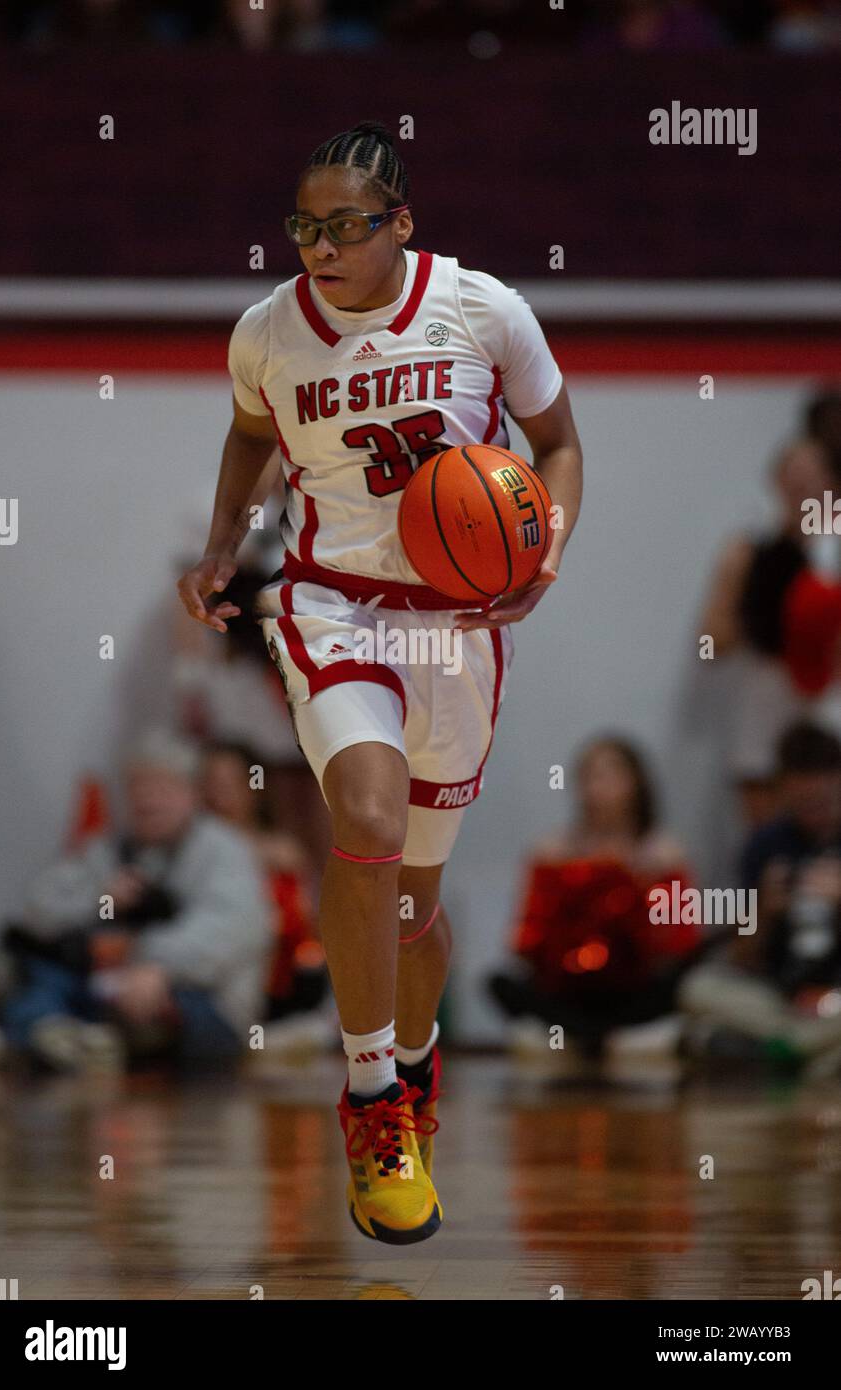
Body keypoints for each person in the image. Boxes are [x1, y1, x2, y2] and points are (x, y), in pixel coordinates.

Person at [177, 119, 582, 1243]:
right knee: (358, 813)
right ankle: (368, 1101)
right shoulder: (268, 332)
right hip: (329, 601)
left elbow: (556, 443)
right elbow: (249, 433)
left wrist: (544, 542)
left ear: (400, 222)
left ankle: (413, 1062)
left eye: (343, 224)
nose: (318, 244)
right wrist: (223, 544)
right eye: (303, 226)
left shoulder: (483, 309)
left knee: (413, 906)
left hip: (456, 623)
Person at [0, 730, 264, 1073]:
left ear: (192, 793)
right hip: (109, 992)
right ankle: (58, 1034)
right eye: (139, 787)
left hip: (201, 999)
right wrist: (99, 900)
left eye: (162, 788)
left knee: (187, 1012)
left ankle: (120, 1038)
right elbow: (37, 912)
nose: (148, 800)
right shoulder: (107, 849)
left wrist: (155, 966)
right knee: (38, 981)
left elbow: (232, 930)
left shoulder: (224, 850)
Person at [489, 736, 699, 1057]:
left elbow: (682, 943)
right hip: (568, 990)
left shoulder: (662, 854)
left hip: (634, 988)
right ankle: (594, 1036)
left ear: (636, 784)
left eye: (609, 775)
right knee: (500, 983)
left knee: (689, 982)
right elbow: (526, 942)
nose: (597, 788)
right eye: (588, 776)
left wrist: (640, 884)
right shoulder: (552, 853)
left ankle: (591, 1036)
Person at [678, 721, 841, 1073]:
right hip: (780, 999)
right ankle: (813, 1054)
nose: (814, 814)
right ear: (783, 792)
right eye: (803, 804)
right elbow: (743, 957)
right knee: (697, 987)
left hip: (836, 998)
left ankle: (787, 1052)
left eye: (823, 802)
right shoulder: (766, 844)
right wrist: (763, 912)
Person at [698, 436, 837, 826]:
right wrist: (761, 614)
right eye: (792, 478)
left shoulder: (834, 548)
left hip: (828, 693)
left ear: (831, 482)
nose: (802, 488)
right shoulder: (750, 549)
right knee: (765, 824)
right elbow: (710, 641)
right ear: (776, 483)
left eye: (812, 477)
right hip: (765, 695)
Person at [199, 739, 328, 1035]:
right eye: (213, 783)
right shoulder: (192, 850)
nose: (221, 794)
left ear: (254, 786)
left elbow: (308, 922)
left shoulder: (282, 851)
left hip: (280, 975)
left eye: (232, 783)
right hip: (217, 967)